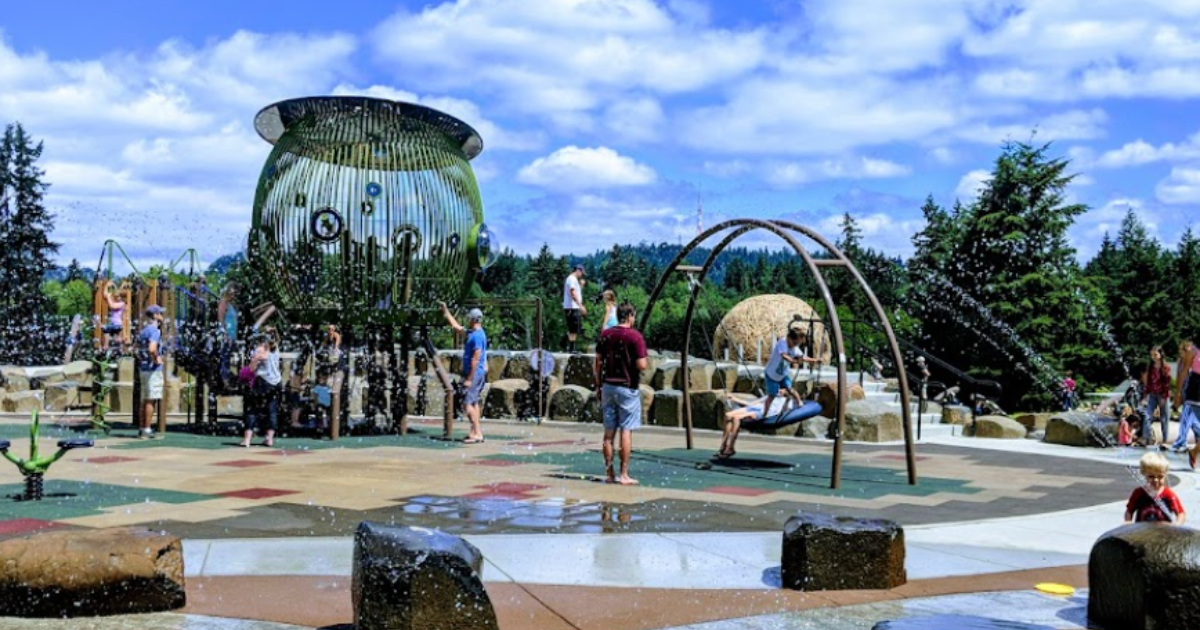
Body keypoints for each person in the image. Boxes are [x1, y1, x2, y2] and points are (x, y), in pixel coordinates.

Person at [594, 302, 648, 485]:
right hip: (627, 387)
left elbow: (598, 362)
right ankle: (624, 474)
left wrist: (598, 385)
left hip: (608, 386)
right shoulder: (635, 337)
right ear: (631, 316)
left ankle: (609, 474)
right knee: (626, 429)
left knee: (608, 434)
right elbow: (642, 365)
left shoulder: (606, 335)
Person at [441, 302, 487, 443]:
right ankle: (474, 432)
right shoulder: (475, 333)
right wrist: (446, 312)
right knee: (474, 403)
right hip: (478, 373)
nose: (467, 321)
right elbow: (457, 328)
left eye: (469, 319)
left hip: (474, 374)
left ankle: (478, 433)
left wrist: (469, 378)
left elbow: (476, 358)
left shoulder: (476, 337)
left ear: (473, 320)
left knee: (467, 405)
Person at [762, 328, 819, 424]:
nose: (795, 346)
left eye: (797, 344)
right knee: (771, 396)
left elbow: (803, 357)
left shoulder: (794, 348)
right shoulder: (782, 343)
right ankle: (764, 415)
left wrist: (814, 360)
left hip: (783, 375)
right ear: (789, 338)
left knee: (790, 389)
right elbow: (784, 355)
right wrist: (793, 361)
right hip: (771, 375)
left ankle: (799, 403)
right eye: (795, 343)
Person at [715, 393, 788, 460]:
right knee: (728, 415)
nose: (779, 390)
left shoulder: (784, 401)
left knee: (736, 418)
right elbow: (751, 404)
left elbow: (778, 412)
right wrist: (735, 399)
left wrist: (761, 415)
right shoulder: (769, 396)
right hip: (753, 408)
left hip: (761, 412)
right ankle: (723, 445)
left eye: (781, 389)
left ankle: (730, 448)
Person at [240, 332, 282, 447]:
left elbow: (252, 369)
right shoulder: (276, 350)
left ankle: (247, 439)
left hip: (263, 383)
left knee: (251, 409)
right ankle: (269, 439)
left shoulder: (259, 349)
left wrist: (249, 367)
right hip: (276, 383)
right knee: (272, 411)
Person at [1124, 452, 1186, 524]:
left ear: (1165, 475)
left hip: (1163, 533)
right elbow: (1129, 511)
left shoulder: (1168, 494)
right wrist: (1128, 523)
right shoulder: (1139, 493)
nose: (1156, 480)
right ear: (1143, 474)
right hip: (1142, 533)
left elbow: (1181, 513)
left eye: (1160, 476)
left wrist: (1177, 524)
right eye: (1151, 476)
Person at [136, 305, 166, 439]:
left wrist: (143, 360)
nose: (162, 316)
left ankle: (142, 427)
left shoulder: (143, 331)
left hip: (143, 369)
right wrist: (156, 359)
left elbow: (135, 350)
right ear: (155, 316)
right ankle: (147, 430)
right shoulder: (155, 331)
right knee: (151, 400)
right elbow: (152, 348)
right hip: (152, 370)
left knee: (144, 400)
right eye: (160, 313)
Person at [1173, 339, 1200, 455]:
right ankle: (1181, 442)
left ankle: (1193, 448)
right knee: (1188, 416)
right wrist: (1178, 394)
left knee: (1192, 420)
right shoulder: (1192, 353)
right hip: (1194, 389)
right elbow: (1183, 373)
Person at [1142, 346, 1172, 450]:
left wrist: (1164, 396)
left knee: (1164, 418)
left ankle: (1165, 441)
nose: (1153, 357)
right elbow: (1148, 383)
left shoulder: (1166, 367)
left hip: (1163, 395)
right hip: (1153, 394)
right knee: (1147, 416)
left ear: (1160, 354)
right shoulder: (1150, 367)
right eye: (1152, 355)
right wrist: (1145, 396)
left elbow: (1167, 384)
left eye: (1155, 354)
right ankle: (1146, 439)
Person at [562, 265, 587, 353]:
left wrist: (581, 286)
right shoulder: (572, 279)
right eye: (581, 273)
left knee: (575, 328)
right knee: (573, 328)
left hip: (572, 307)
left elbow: (576, 291)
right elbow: (572, 293)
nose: (581, 275)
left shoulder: (573, 280)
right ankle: (570, 347)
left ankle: (570, 346)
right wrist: (581, 306)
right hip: (572, 307)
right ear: (578, 270)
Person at [101, 279, 126, 351]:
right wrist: (107, 285)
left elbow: (112, 306)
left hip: (117, 324)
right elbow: (105, 295)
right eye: (116, 296)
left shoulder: (122, 304)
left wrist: (109, 297)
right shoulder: (115, 300)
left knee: (105, 328)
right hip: (113, 324)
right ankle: (120, 348)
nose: (117, 298)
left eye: (119, 297)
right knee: (116, 339)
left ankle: (106, 346)